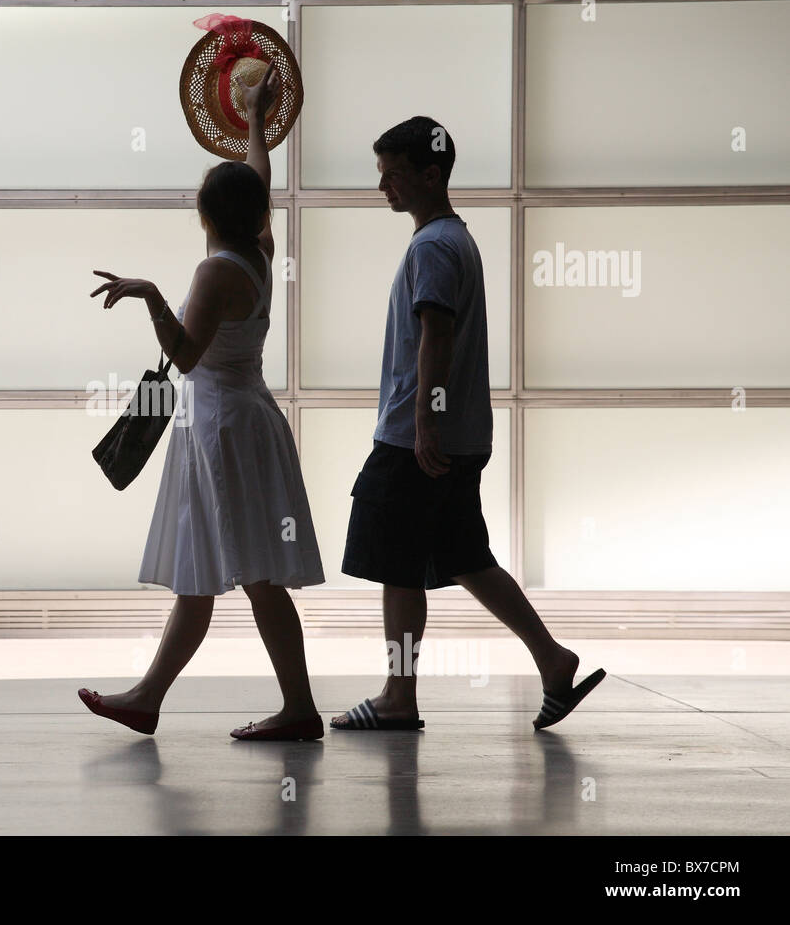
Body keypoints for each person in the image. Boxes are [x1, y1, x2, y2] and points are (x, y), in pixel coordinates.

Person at [333, 116, 604, 733]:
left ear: (431, 175)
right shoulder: (456, 238)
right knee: (463, 555)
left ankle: (399, 696)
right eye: (382, 176)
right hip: (457, 434)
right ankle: (553, 659)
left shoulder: (431, 245)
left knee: (397, 562)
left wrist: (425, 423)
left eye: (394, 176)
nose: (384, 188)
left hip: (415, 437)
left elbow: (436, 332)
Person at [81, 62, 326, 742]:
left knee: (253, 575)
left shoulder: (215, 270)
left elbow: (185, 358)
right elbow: (258, 177)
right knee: (214, 572)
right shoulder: (259, 249)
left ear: (204, 215)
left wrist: (152, 295)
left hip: (221, 424)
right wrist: (253, 119)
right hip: (237, 417)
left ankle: (298, 709)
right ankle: (148, 698)